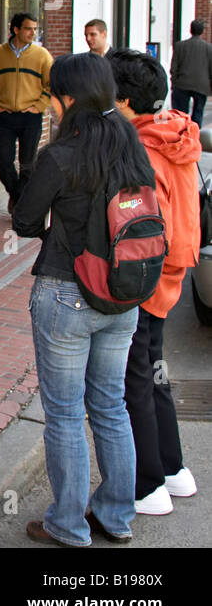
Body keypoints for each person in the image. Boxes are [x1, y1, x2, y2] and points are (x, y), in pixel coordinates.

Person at [13, 52, 154, 547]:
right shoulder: (132, 145)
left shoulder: (60, 155)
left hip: (66, 292)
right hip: (124, 297)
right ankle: (115, 517)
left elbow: (25, 222)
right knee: (111, 406)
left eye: (53, 95)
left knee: (67, 413)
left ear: (68, 97)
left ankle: (68, 525)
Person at [107, 49, 200, 515]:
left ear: (122, 102)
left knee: (136, 378)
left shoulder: (140, 149)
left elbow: (139, 223)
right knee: (153, 371)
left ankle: (147, 487)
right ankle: (172, 468)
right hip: (173, 271)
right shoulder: (176, 134)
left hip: (146, 274)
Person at [0, 13, 54, 214]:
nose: (32, 33)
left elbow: (51, 84)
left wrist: (38, 106)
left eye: (34, 29)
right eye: (28, 29)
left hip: (31, 116)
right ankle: (19, 197)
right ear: (16, 30)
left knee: (27, 164)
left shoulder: (42, 55)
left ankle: (19, 204)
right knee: (2, 161)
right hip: (5, 116)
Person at [170, 20, 212, 127]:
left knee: (181, 113)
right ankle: (194, 134)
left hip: (182, 83)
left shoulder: (180, 46)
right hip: (202, 85)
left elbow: (174, 66)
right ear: (202, 31)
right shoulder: (209, 48)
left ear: (190, 30)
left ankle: (181, 132)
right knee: (198, 112)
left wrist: (174, 81)